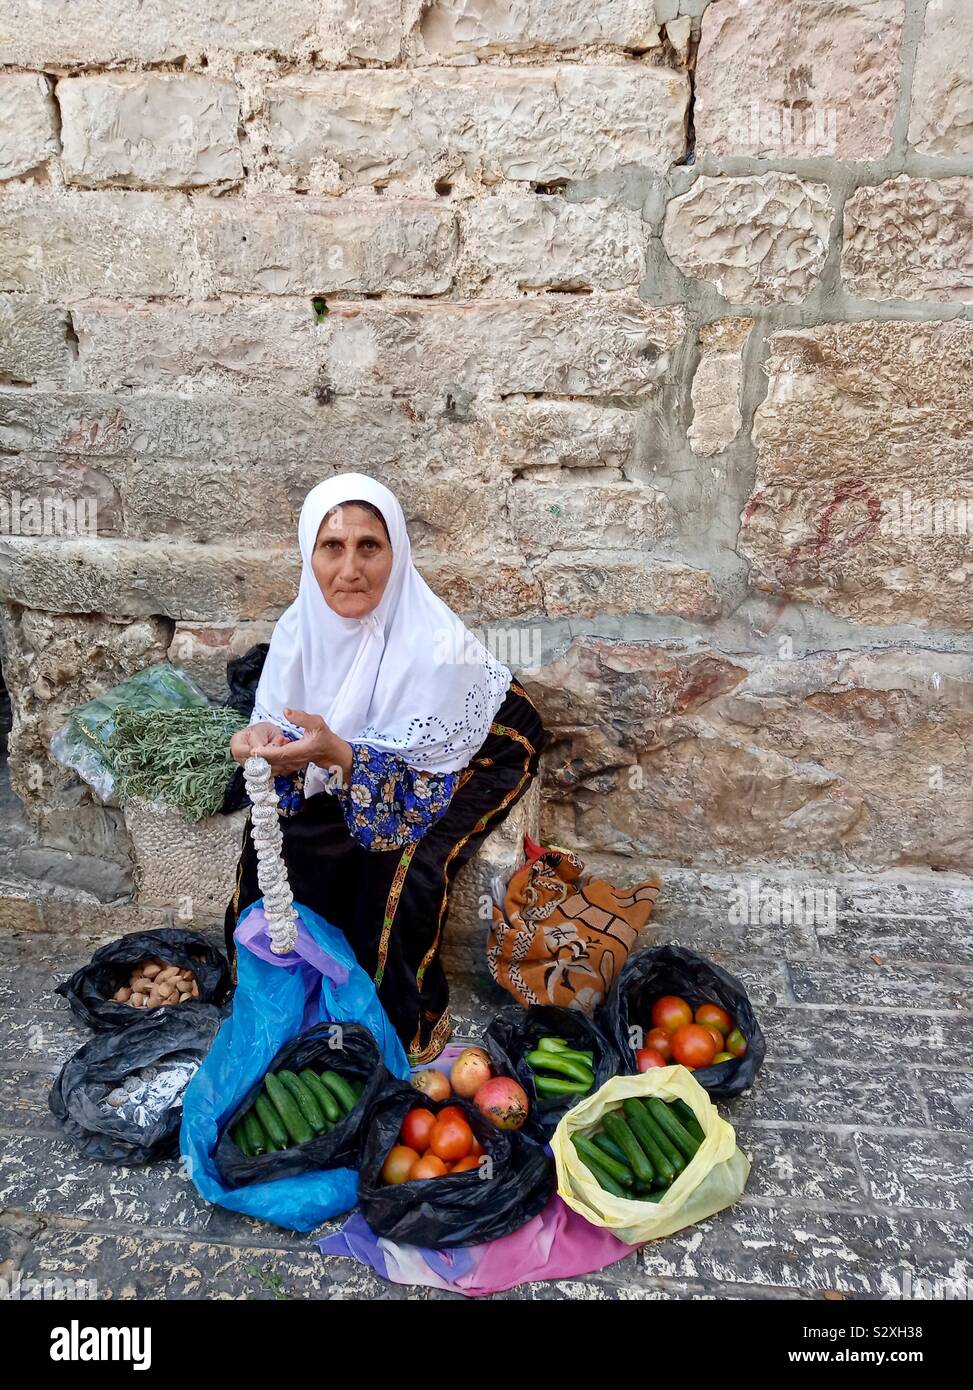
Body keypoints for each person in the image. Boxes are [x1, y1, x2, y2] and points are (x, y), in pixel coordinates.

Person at [226, 473, 546, 1063]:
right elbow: (282, 725)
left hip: (471, 739)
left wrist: (335, 754)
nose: (351, 568)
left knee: (403, 862)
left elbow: (417, 769)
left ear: (395, 553)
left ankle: (391, 1027)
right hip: (359, 747)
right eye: (332, 547)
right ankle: (286, 997)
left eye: (369, 546)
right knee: (281, 835)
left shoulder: (430, 648)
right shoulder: (298, 631)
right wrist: (263, 739)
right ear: (309, 554)